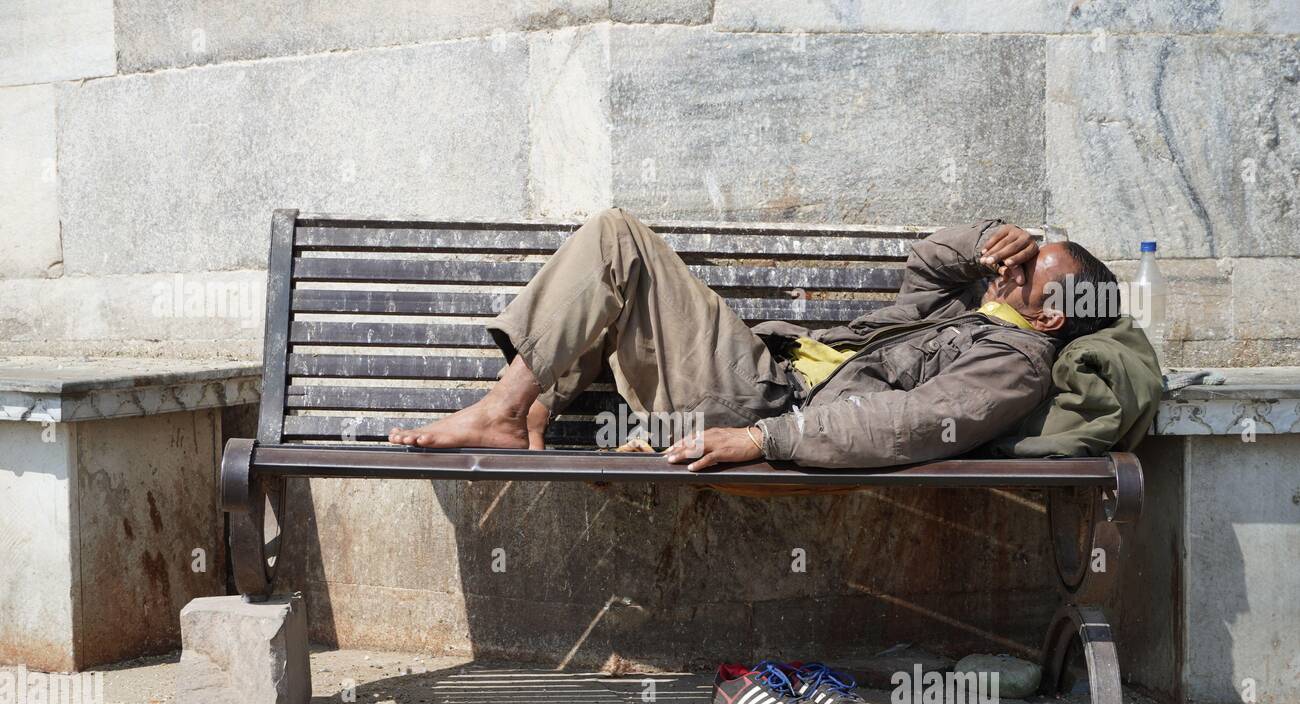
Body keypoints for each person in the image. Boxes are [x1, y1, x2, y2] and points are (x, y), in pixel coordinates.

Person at [388, 208, 1120, 470]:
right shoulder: (968, 301)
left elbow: (909, 425)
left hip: (764, 399)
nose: (1013, 270)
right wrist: (990, 241)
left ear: (1051, 317)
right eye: (1018, 260)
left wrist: (763, 440)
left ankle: (511, 409)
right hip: (763, 366)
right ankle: (531, 405)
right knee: (619, 259)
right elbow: (929, 259)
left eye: (1028, 272)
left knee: (618, 242)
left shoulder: (1012, 361)